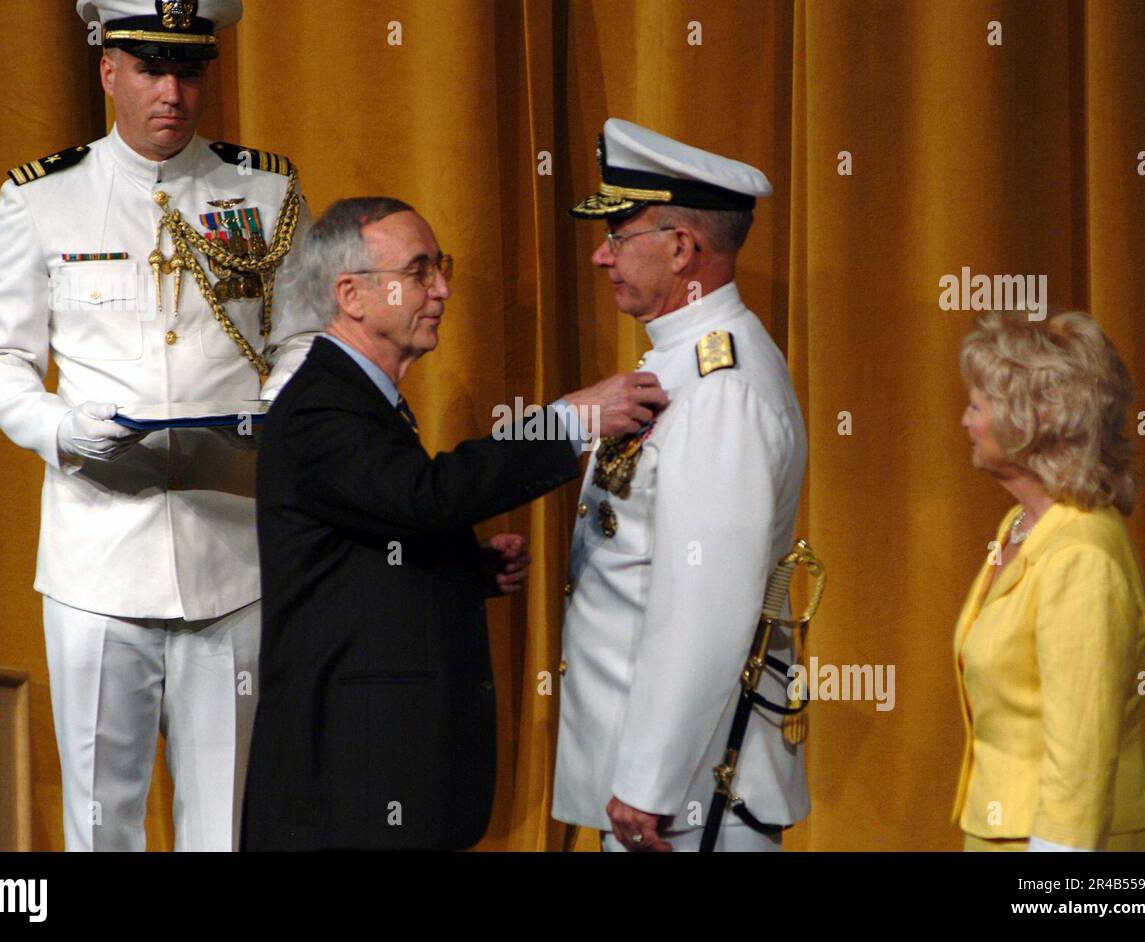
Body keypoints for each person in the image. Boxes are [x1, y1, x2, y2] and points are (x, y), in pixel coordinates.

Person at [0, 0, 321, 851]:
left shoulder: (264, 192)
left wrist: (271, 410)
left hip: (228, 553)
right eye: (152, 69)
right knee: (100, 822)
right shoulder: (43, 198)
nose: (172, 92)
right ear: (108, 70)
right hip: (97, 557)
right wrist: (58, 427)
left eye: (189, 70)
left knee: (225, 823)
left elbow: (306, 338)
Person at [240, 197, 668, 851]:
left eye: (440, 267)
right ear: (351, 294)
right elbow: (426, 496)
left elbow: (364, 545)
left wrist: (463, 569)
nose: (441, 289)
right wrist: (569, 421)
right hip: (346, 795)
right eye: (418, 271)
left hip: (379, 786)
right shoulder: (319, 409)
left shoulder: (363, 404)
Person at [551, 119, 810, 852]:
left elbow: (707, 603)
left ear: (682, 247)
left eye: (618, 234)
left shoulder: (721, 388)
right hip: (658, 789)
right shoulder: (682, 365)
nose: (601, 256)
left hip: (692, 793)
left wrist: (650, 780)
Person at [953, 309, 1145, 852]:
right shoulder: (1022, 525)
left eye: (977, 406)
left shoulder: (1082, 556)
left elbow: (1081, 755)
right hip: (1006, 832)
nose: (965, 422)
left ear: (1030, 423)